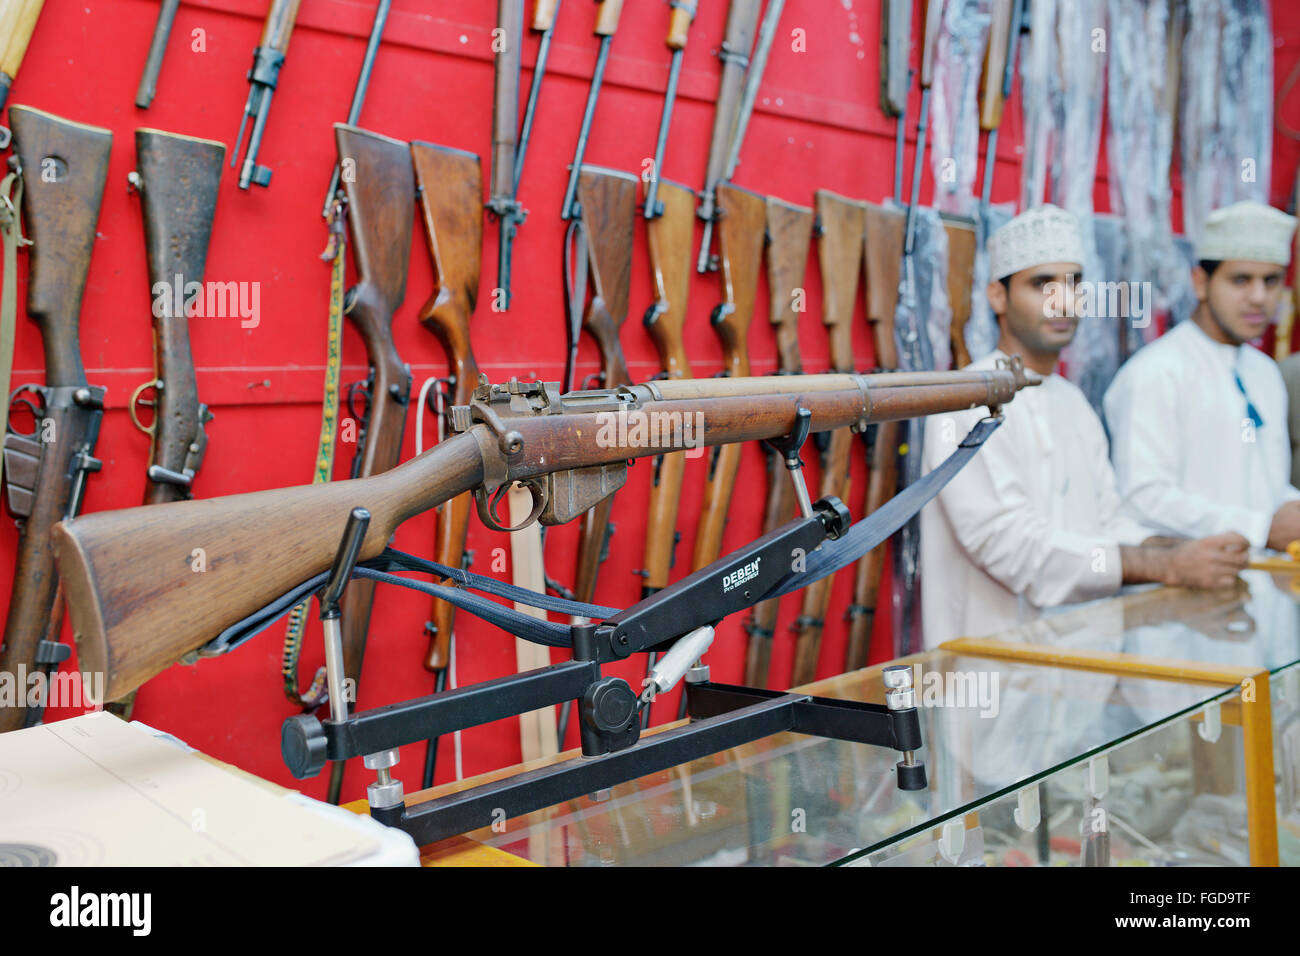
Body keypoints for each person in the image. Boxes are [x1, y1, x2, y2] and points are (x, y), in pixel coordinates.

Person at [919, 205, 1248, 650]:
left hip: (1081, 679)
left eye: (1074, 283)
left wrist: (1186, 548)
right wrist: (1167, 566)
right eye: (1042, 284)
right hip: (991, 683)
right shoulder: (965, 401)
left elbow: (1107, 523)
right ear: (998, 296)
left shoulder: (1072, 402)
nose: (1063, 300)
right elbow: (1013, 550)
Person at [1104, 200, 1300, 550]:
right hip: (1177, 594)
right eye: (1241, 280)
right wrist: (1260, 528)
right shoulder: (1157, 372)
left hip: (1264, 590)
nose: (1258, 297)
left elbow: (1267, 487)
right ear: (1201, 282)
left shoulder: (1265, 373)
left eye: (1270, 281)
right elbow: (1144, 497)